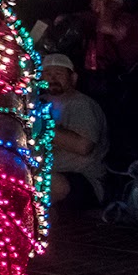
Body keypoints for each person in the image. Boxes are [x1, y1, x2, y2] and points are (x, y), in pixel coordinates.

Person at [43, 54, 108, 210]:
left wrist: (43, 127)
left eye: (58, 73)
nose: (52, 78)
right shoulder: (38, 101)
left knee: (43, 182)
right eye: (47, 74)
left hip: (81, 178)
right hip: (46, 170)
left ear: (73, 77)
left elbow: (83, 146)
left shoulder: (82, 105)